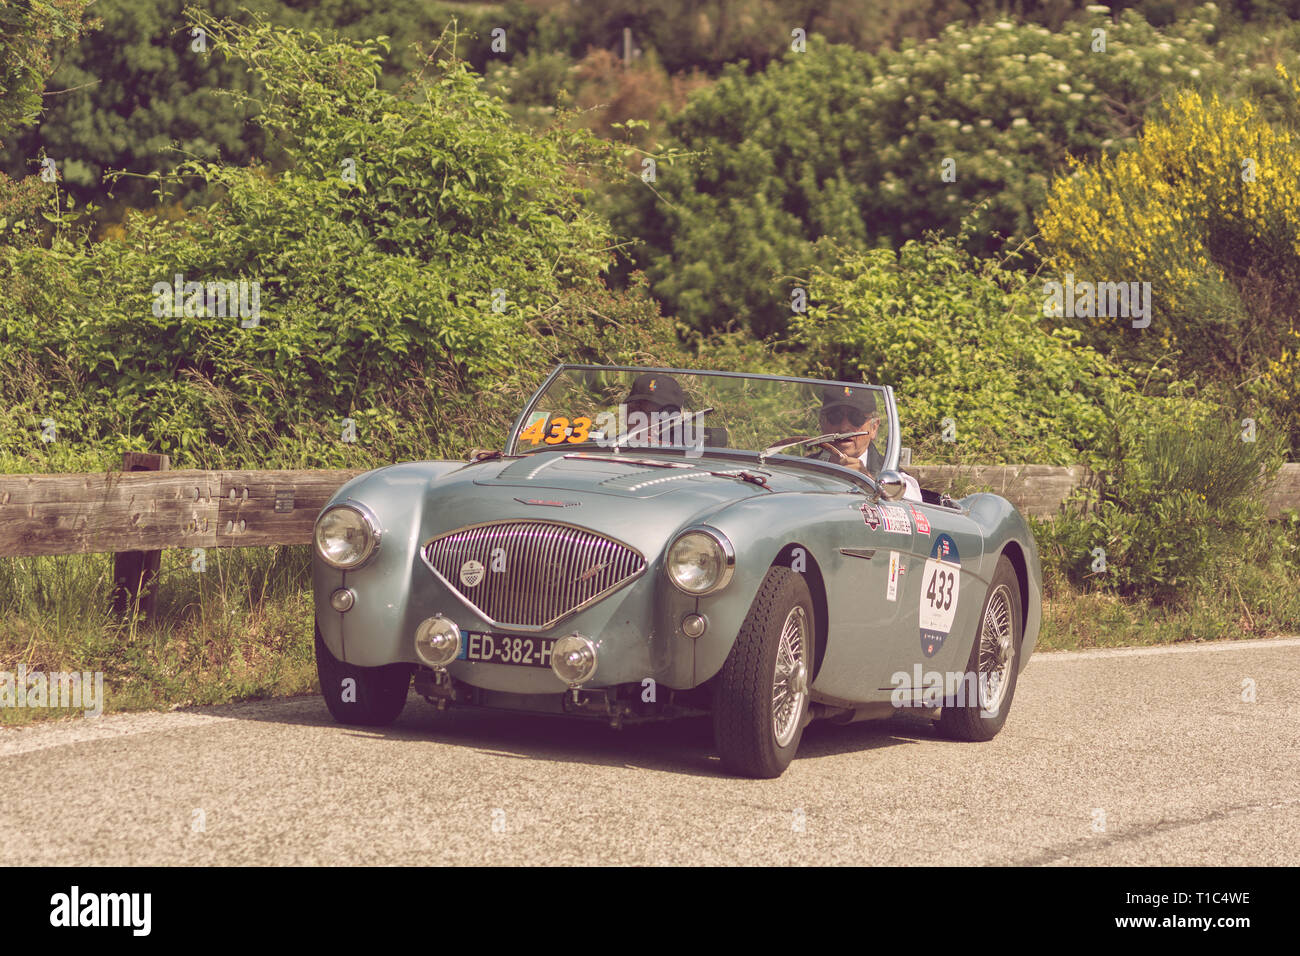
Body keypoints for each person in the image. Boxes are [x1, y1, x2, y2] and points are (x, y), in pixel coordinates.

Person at [812, 384, 922, 502]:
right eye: (835, 417)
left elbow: (913, 507)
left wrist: (868, 481)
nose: (844, 428)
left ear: (874, 428)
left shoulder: (898, 479)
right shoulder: (804, 468)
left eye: (856, 417)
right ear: (822, 423)